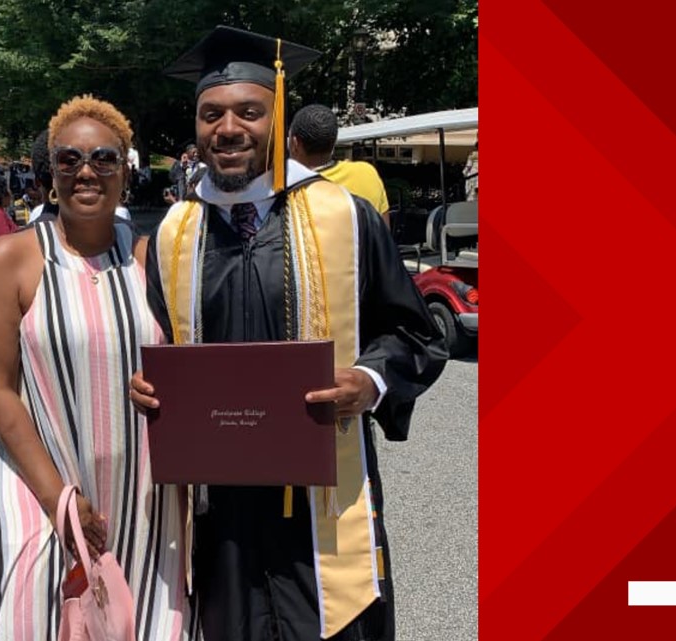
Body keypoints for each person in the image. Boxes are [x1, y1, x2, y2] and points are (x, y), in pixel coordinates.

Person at [130, 26, 448, 641]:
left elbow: (416, 334)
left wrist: (371, 381)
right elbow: (160, 350)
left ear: (278, 120)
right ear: (195, 125)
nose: (228, 129)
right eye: (211, 114)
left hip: (321, 509)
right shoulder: (174, 234)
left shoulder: (343, 217)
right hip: (221, 513)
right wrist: (145, 386)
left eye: (250, 112)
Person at [0, 95, 188, 640]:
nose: (86, 171)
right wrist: (60, 503)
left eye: (104, 159)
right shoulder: (12, 260)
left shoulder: (154, 260)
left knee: (136, 617)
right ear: (51, 173)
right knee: (36, 615)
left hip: (140, 492)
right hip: (35, 480)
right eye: (69, 159)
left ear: (126, 171)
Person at [288, 103, 391, 227]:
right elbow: (384, 235)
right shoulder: (367, 173)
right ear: (333, 144)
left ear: (294, 144)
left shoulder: (287, 189)